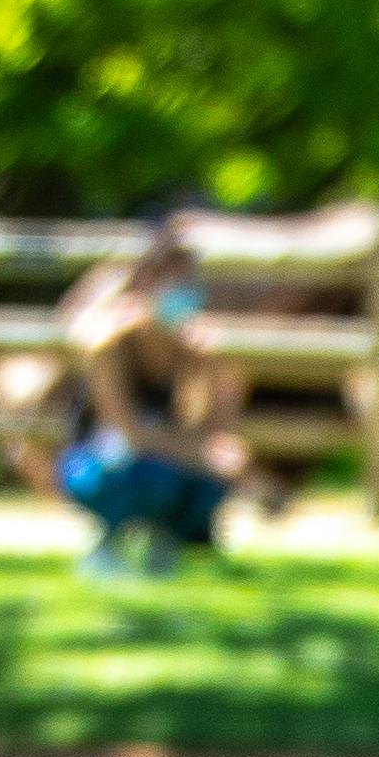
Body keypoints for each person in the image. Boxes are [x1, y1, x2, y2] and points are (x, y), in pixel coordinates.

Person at [56, 232, 250, 575]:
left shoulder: (194, 347)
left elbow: (210, 428)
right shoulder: (111, 343)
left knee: (206, 485)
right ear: (145, 280)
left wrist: (211, 368)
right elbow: (127, 432)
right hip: (100, 465)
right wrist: (202, 454)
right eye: (170, 276)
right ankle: (110, 544)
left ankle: (165, 544)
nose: (182, 289)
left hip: (165, 456)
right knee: (157, 477)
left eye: (187, 277)